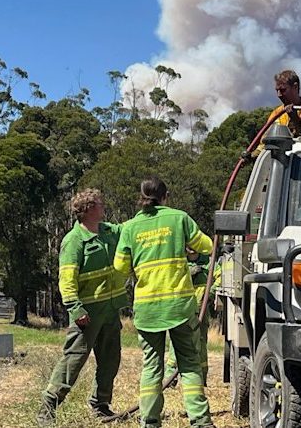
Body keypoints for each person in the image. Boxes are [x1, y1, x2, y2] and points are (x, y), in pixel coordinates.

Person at [113, 176, 215, 428]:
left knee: (151, 367)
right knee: (189, 363)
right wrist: (184, 250)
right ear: (165, 196)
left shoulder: (130, 227)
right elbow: (207, 245)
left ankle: (149, 421)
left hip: (147, 309)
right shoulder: (178, 218)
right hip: (179, 306)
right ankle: (200, 421)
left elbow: (120, 267)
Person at [37, 189, 128, 426]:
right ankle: (47, 408)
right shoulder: (74, 241)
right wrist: (75, 309)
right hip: (87, 314)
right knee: (73, 361)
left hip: (110, 310)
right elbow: (66, 280)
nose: (103, 205)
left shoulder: (109, 231)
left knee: (110, 360)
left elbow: (130, 229)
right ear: (87, 209)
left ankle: (101, 405)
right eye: (99, 203)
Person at [163, 248, 222, 385]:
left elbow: (220, 276)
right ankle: (170, 377)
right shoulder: (179, 260)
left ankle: (201, 378)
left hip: (201, 310)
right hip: (182, 309)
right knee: (176, 342)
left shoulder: (208, 262)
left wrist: (211, 293)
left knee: (200, 343)